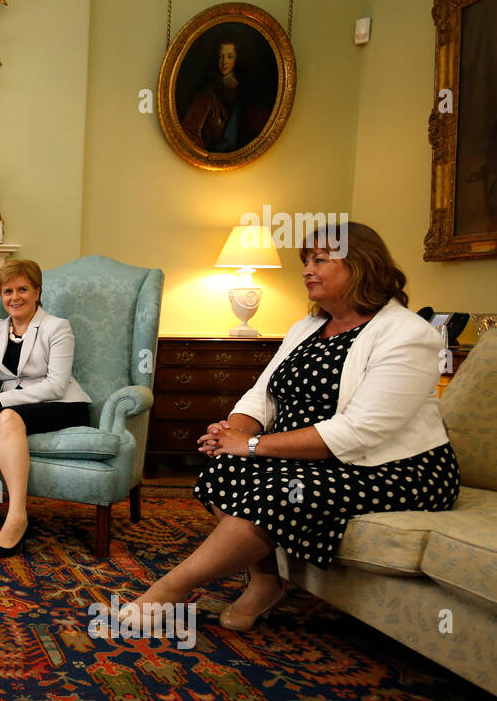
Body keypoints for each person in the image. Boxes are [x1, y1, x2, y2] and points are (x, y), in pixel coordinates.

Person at [112, 222, 460, 630]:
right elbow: (262, 394)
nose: (307, 270)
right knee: (224, 467)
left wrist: (254, 444)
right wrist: (231, 433)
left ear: (361, 265)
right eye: (305, 261)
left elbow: (360, 432)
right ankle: (264, 582)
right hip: (310, 452)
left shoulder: (408, 334)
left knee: (278, 490)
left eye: (320, 260)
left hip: (392, 466)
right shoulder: (307, 328)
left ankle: (170, 589)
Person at [0, 259, 92, 558]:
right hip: (19, 403)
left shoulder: (57, 327)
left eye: (23, 289)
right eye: (7, 291)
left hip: (63, 404)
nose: (15, 297)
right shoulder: (0, 329)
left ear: (37, 291)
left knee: (8, 417)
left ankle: (17, 517)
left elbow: (56, 385)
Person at [180, 38, 267, 153]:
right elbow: (189, 130)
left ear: (237, 58)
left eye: (230, 56)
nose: (224, 61)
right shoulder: (207, 93)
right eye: (220, 56)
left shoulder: (245, 89)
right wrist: (208, 158)